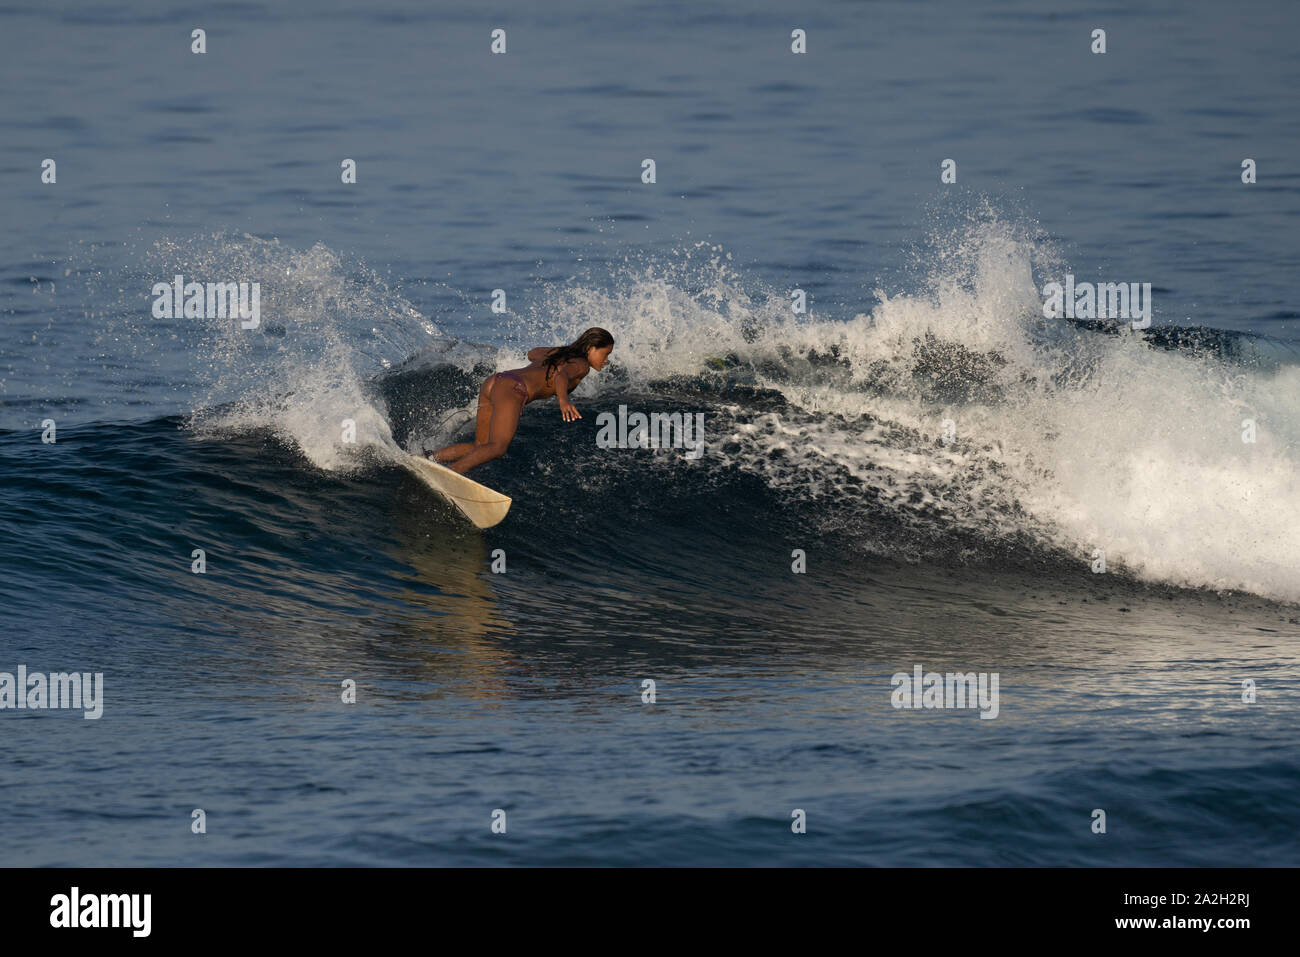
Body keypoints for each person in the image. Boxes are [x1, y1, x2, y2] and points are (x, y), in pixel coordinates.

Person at [430, 327, 614, 474]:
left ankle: (427, 458)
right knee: (498, 447)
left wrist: (560, 352)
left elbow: (533, 353)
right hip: (514, 390)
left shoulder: (562, 355)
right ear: (590, 349)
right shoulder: (582, 365)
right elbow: (561, 376)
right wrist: (564, 401)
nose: (606, 360)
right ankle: (453, 472)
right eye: (605, 354)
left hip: (496, 381)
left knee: (480, 445)